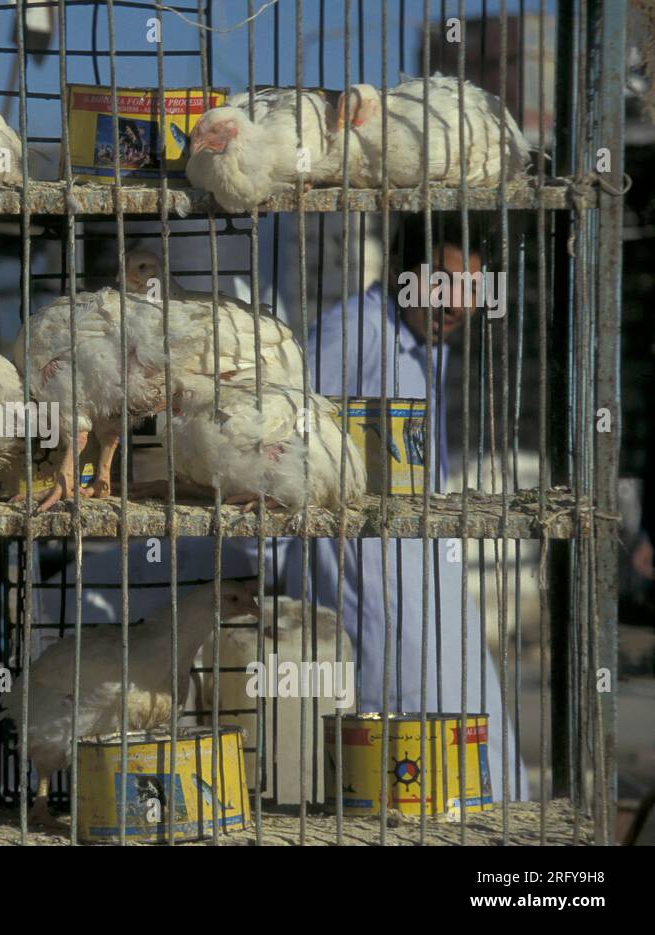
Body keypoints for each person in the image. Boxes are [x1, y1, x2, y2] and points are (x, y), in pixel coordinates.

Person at [260, 212, 530, 802]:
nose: (456, 305)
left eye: (471, 290)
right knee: (399, 745)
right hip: (369, 576)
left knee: (460, 737)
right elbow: (283, 441)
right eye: (442, 284)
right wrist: (273, 565)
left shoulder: (418, 341)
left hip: (422, 575)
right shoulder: (356, 332)